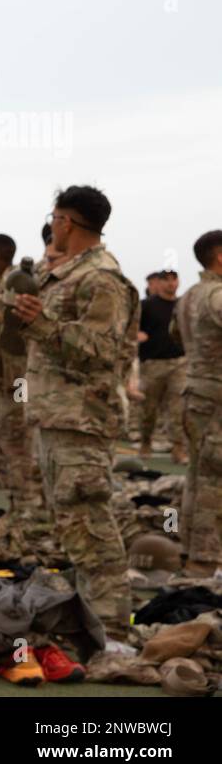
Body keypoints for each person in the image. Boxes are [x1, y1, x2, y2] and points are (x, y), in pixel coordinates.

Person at [13, 185, 139, 645]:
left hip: (83, 419)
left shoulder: (101, 278)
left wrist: (41, 324)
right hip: (58, 416)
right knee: (73, 524)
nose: (53, 225)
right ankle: (90, 622)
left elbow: (103, 350)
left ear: (67, 223)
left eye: (55, 217)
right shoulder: (68, 274)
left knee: (90, 523)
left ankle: (110, 634)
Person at [0, 234, 46, 527]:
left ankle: (31, 504)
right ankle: (16, 500)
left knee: (17, 439)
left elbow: (5, 321)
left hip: (17, 378)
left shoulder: (19, 280)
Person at [176, 231, 222, 576]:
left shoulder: (190, 295)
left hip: (195, 393)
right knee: (214, 481)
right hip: (216, 396)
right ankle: (205, 561)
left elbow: (176, 334)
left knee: (196, 474)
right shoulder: (217, 295)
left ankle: (189, 550)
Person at [139, 269, 187, 462]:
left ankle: (178, 449)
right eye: (166, 280)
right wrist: (137, 335)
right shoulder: (147, 306)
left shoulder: (182, 305)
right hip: (152, 364)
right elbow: (132, 327)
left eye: (174, 279)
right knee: (149, 410)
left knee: (178, 409)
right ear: (158, 283)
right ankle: (145, 443)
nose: (170, 283)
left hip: (179, 362)